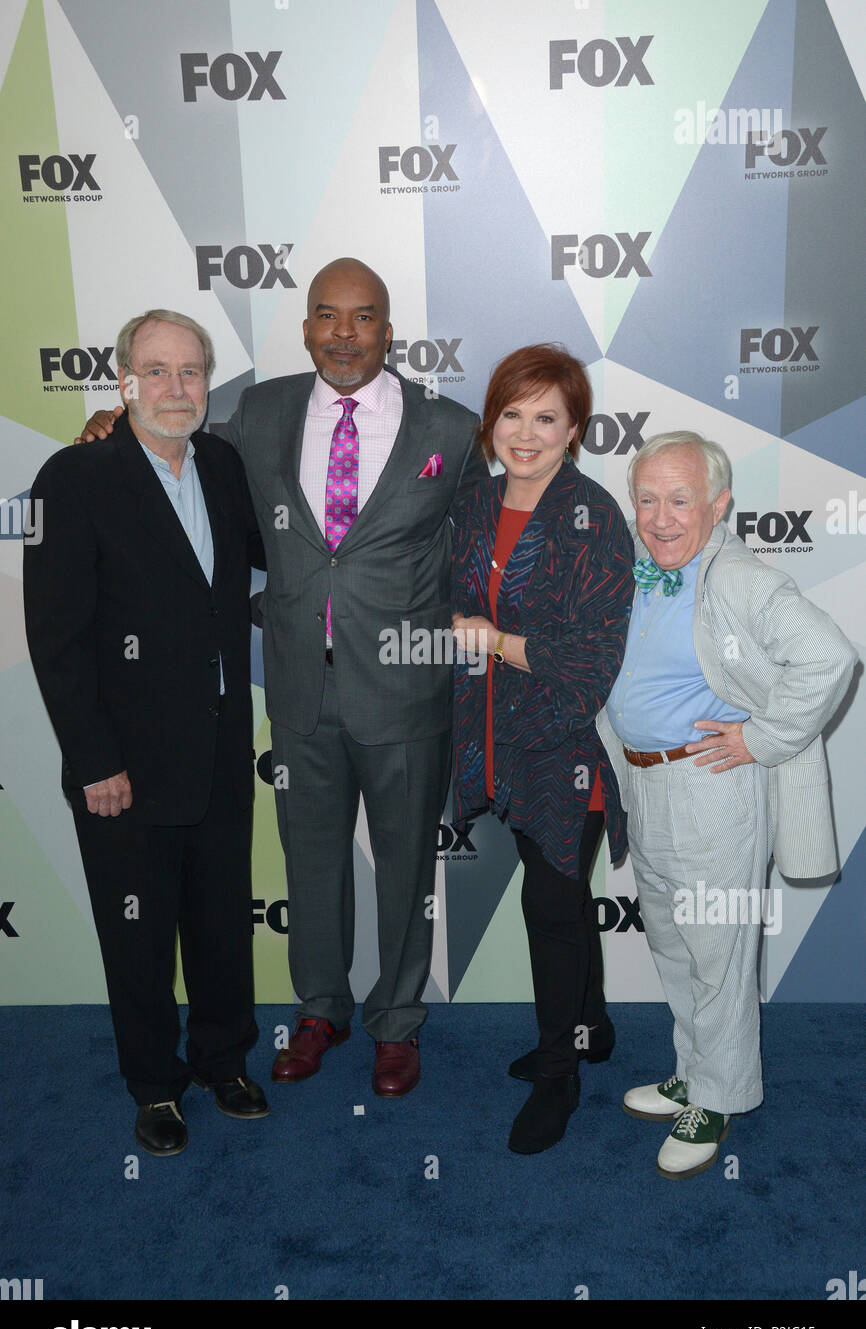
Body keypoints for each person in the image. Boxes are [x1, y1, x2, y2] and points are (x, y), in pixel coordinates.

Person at [79, 259, 487, 1097]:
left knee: (409, 866)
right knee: (310, 863)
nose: (344, 334)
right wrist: (108, 429)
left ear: (386, 330)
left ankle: (397, 1021)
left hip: (409, 691)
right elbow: (174, 449)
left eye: (363, 317)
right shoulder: (259, 412)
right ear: (305, 328)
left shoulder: (449, 428)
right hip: (298, 686)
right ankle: (320, 1007)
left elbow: (479, 554)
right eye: (327, 317)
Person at [24, 310, 269, 1156]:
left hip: (219, 750)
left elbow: (264, 564)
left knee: (218, 921)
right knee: (136, 933)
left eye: (191, 372)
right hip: (122, 768)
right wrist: (94, 761)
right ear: (123, 381)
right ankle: (154, 1086)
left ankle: (224, 1062)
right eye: (157, 371)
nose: (176, 388)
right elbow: (55, 640)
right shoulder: (73, 477)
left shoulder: (227, 466)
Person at [597, 431, 856, 1179]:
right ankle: (692, 1073)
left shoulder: (740, 577)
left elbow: (830, 658)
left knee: (719, 953)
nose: (662, 516)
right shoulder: (637, 570)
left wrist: (764, 739)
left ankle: (718, 1098)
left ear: (718, 505)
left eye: (681, 500)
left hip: (712, 789)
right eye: (647, 499)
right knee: (676, 946)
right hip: (645, 785)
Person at [450, 344, 634, 1153]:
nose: (526, 432)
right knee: (554, 895)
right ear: (492, 423)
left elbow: (590, 661)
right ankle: (591, 1023)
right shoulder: (471, 504)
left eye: (546, 417)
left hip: (567, 748)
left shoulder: (594, 516)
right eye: (512, 414)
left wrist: (497, 640)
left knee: (551, 908)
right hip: (498, 741)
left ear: (575, 430)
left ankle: (560, 1072)